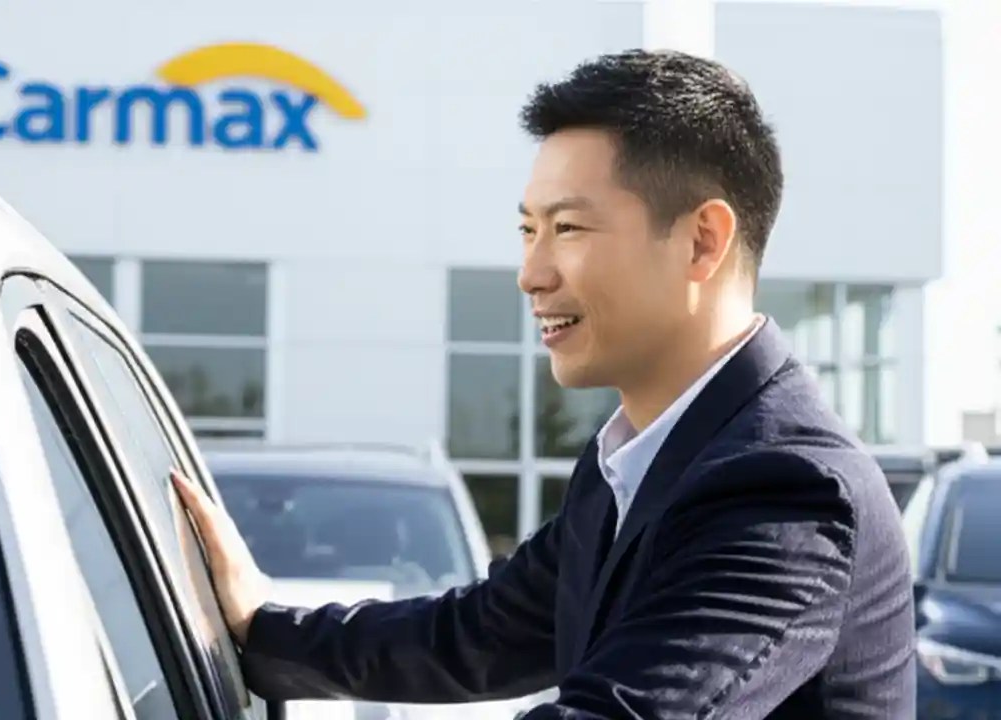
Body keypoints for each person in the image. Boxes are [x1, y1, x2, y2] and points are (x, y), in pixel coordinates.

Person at [172, 48, 915, 719]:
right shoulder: (632, 461)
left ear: (701, 241)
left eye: (568, 229)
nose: (531, 274)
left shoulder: (784, 488)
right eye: (528, 230)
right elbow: (478, 633)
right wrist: (263, 626)